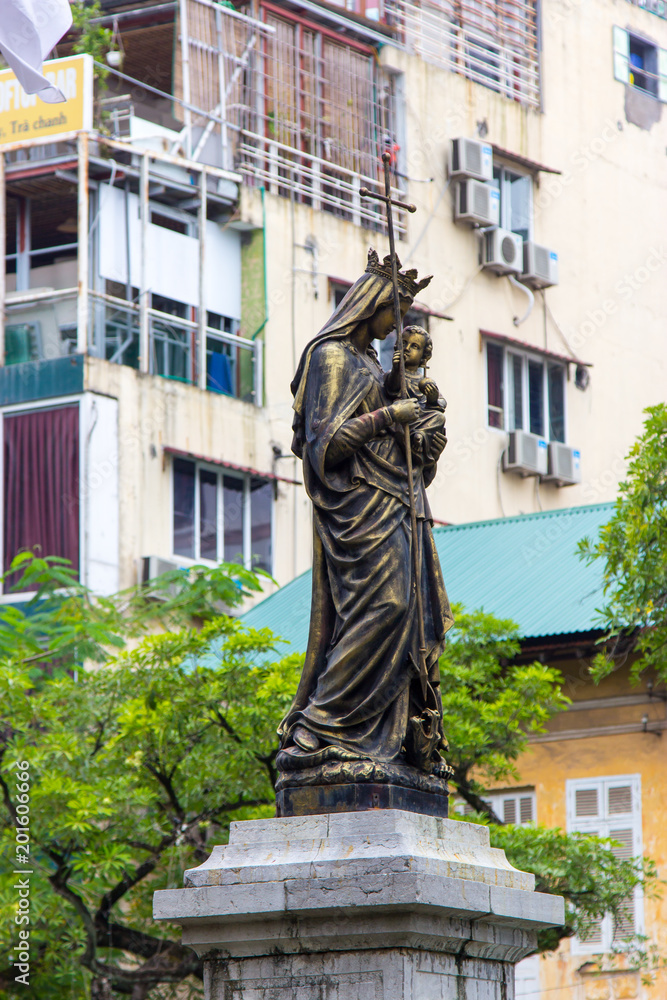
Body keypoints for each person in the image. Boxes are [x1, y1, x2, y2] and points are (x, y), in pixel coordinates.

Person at [277, 249, 453, 775]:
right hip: (356, 509)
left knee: (412, 612)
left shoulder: (376, 364)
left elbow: (403, 444)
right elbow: (324, 446)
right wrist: (386, 417)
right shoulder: (330, 358)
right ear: (371, 303)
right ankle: (319, 728)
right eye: (393, 312)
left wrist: (423, 432)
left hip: (396, 499)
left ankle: (384, 736)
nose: (398, 326)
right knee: (387, 606)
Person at [384, 324, 447, 467]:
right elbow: (390, 389)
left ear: (424, 356)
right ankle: (415, 437)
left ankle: (420, 437)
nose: (406, 349)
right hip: (401, 417)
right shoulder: (392, 375)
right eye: (404, 343)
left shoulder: (423, 380)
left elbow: (441, 403)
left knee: (438, 418)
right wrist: (396, 370)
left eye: (414, 346)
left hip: (420, 419)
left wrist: (432, 398)